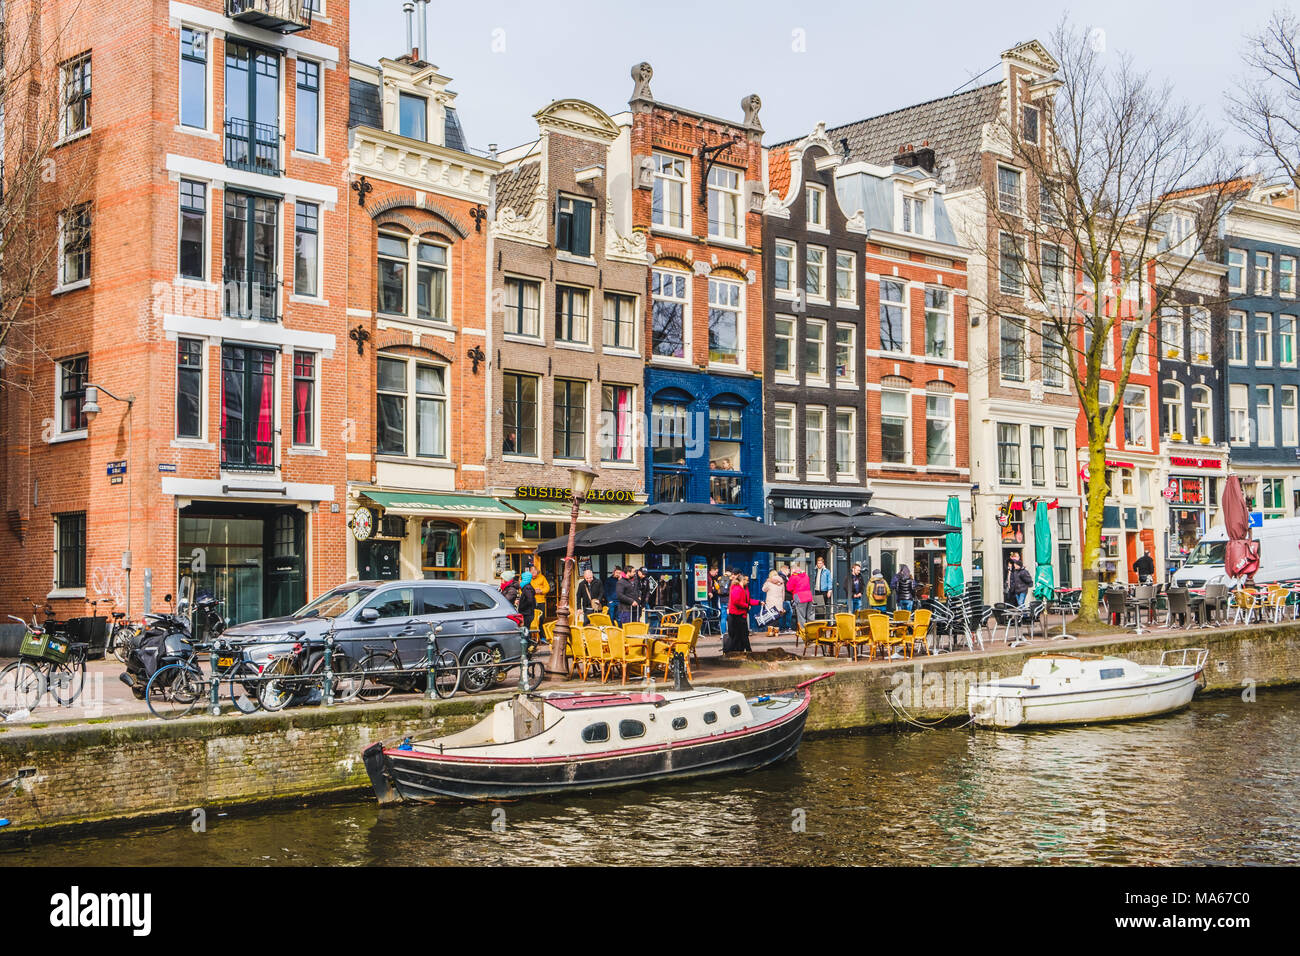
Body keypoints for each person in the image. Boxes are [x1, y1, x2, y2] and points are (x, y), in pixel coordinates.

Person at [725, 570, 753, 654]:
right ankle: (730, 651)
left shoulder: (741, 588)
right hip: (737, 615)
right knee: (740, 635)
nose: (747, 582)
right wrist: (746, 606)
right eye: (746, 580)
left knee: (740, 635)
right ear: (742, 580)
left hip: (739, 614)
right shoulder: (737, 589)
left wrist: (757, 602)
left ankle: (734, 651)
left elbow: (747, 600)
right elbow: (736, 601)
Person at [761, 570, 787, 638]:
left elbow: (763, 589)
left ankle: (770, 632)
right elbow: (783, 593)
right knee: (777, 618)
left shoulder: (769, 582)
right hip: (779, 602)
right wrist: (782, 601)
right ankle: (776, 633)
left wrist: (766, 582)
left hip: (770, 602)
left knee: (771, 618)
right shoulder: (781, 582)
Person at [788, 563, 814, 629]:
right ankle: (811, 630)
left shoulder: (793, 577)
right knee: (809, 615)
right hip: (809, 596)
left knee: (801, 616)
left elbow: (789, 588)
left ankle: (803, 631)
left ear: (793, 570)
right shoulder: (805, 575)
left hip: (800, 597)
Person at [518, 570, 538, 637]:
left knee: (526, 630)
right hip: (527, 612)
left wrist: (522, 606)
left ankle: (527, 645)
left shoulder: (527, 588)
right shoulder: (526, 587)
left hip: (527, 613)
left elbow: (530, 600)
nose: (519, 581)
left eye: (521, 579)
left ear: (525, 579)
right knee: (526, 630)